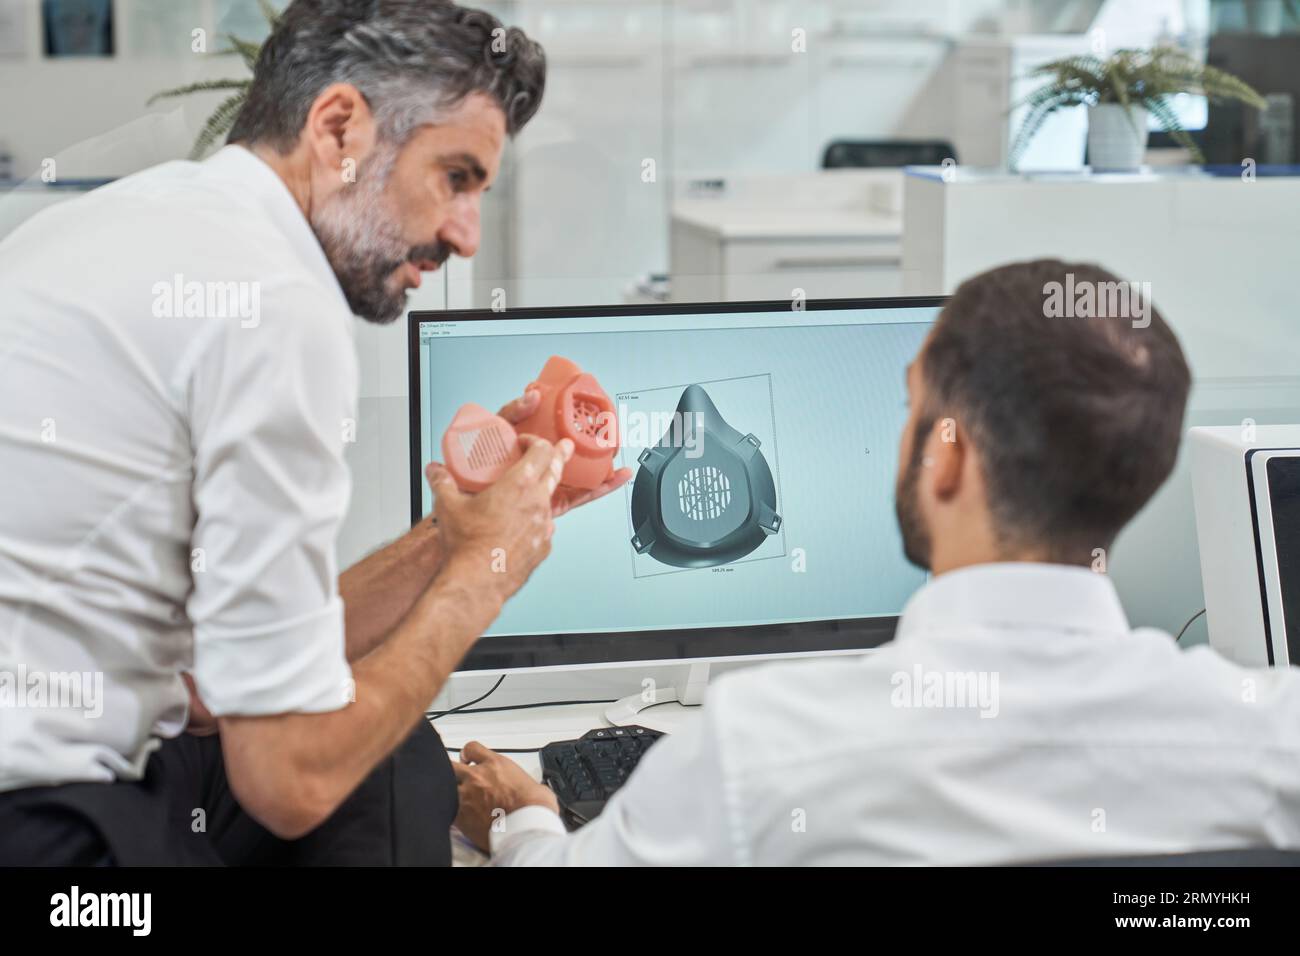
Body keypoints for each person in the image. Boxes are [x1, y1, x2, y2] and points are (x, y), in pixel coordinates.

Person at [0, 0, 627, 865]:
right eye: (455, 177)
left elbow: (232, 676)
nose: (467, 235)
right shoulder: (273, 304)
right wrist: (490, 571)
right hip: (40, 831)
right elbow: (287, 778)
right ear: (339, 129)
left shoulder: (141, 223)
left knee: (395, 758)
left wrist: (459, 531)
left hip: (80, 744)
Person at [454, 259, 1300, 865]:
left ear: (950, 460)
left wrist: (522, 824)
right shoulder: (1273, 741)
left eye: (910, 408)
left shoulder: (765, 751)